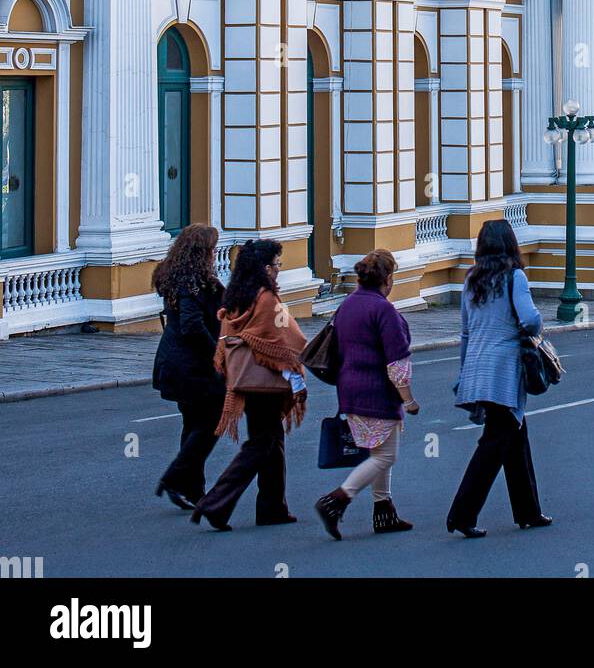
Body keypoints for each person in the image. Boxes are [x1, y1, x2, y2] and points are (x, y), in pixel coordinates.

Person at [191, 240, 307, 532]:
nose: (279, 270)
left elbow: (231, 336)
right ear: (266, 268)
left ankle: (272, 507)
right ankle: (216, 503)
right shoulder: (267, 298)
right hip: (267, 379)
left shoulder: (236, 296)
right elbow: (283, 342)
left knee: (272, 443)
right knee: (259, 445)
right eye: (277, 264)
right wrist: (296, 379)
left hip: (245, 379)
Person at [446, 219, 551, 539]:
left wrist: (464, 373)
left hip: (478, 367)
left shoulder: (471, 280)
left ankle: (528, 511)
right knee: (493, 444)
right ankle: (461, 515)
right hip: (504, 371)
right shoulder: (514, 277)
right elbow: (531, 320)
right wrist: (531, 328)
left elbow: (464, 332)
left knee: (515, 437)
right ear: (510, 244)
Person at [315, 249, 418, 540]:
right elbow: (397, 362)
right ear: (387, 279)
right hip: (378, 393)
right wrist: (408, 400)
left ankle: (383, 511)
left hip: (349, 388)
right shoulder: (384, 310)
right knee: (385, 457)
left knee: (379, 450)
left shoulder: (347, 304)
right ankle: (336, 500)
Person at [152, 224, 226, 511]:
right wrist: (217, 353)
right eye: (212, 247)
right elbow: (193, 325)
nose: (215, 251)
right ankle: (175, 478)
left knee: (194, 422)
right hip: (191, 366)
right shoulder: (193, 281)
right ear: (202, 252)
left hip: (176, 362)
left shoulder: (176, 276)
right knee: (211, 423)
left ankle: (193, 490)